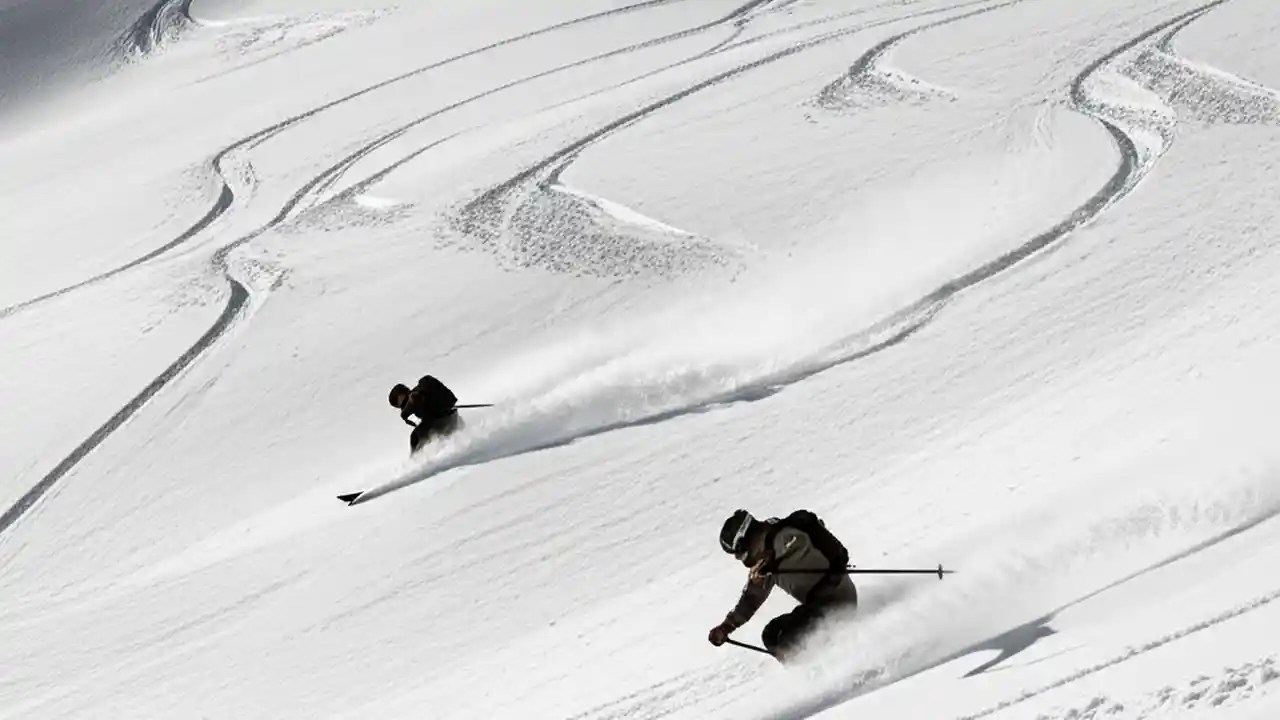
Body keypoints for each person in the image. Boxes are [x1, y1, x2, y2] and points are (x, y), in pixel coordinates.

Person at [708, 509, 857, 661]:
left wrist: (836, 566)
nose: (741, 559)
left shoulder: (785, 534)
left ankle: (825, 670)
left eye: (738, 553)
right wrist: (726, 627)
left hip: (836, 598)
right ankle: (807, 670)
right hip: (817, 606)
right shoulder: (764, 565)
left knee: (789, 637)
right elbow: (751, 599)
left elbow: (815, 536)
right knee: (771, 634)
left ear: (745, 542)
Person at [388, 375, 459, 453]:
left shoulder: (424, 384)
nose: (405, 407)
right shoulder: (416, 405)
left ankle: (416, 461)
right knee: (418, 436)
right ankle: (420, 458)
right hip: (441, 425)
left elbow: (415, 398)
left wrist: (405, 412)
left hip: (449, 420)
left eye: (404, 402)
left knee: (416, 436)